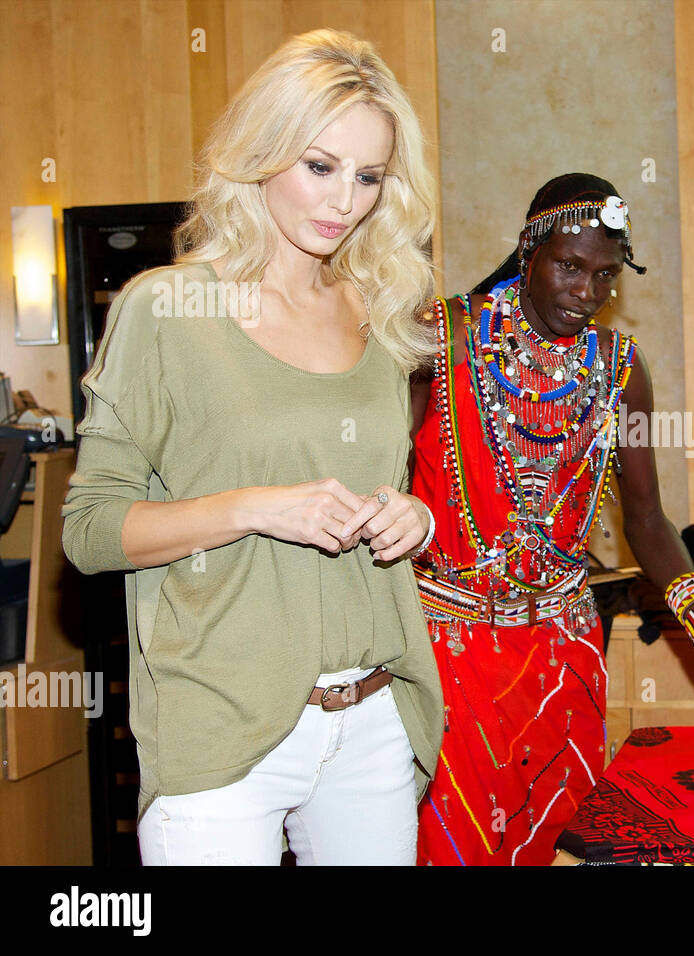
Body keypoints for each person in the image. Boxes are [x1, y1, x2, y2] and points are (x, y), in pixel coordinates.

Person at [61, 30, 443, 865]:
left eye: (369, 175)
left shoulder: (378, 314)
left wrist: (410, 515)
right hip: (223, 725)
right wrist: (256, 509)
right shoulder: (166, 310)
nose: (344, 199)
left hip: (372, 716)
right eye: (319, 165)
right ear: (262, 154)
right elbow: (90, 533)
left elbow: (384, 492)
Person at [409, 173, 694, 865]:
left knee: (561, 841)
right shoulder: (443, 339)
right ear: (528, 252)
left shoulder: (620, 368)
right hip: (453, 655)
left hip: (565, 656)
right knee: (456, 846)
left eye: (605, 275)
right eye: (570, 267)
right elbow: (383, 488)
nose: (587, 291)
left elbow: (649, 522)